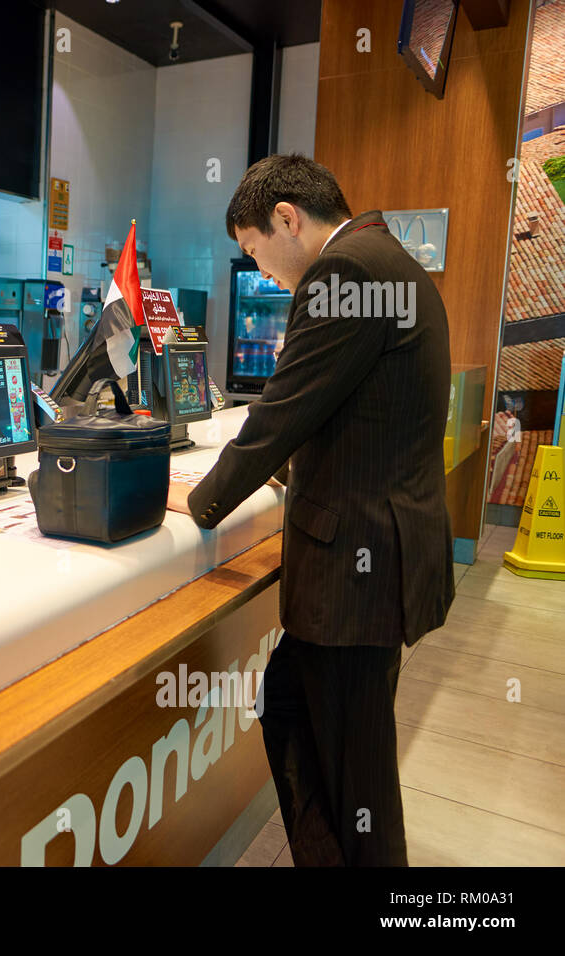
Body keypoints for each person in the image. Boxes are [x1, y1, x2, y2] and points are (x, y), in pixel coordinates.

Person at [165, 154, 455, 866]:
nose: (262, 272)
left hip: (357, 571)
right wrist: (284, 476)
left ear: (287, 218)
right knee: (295, 710)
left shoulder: (345, 273)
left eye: (257, 251)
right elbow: (353, 408)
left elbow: (283, 411)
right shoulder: (387, 260)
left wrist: (197, 499)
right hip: (379, 554)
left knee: (356, 782)